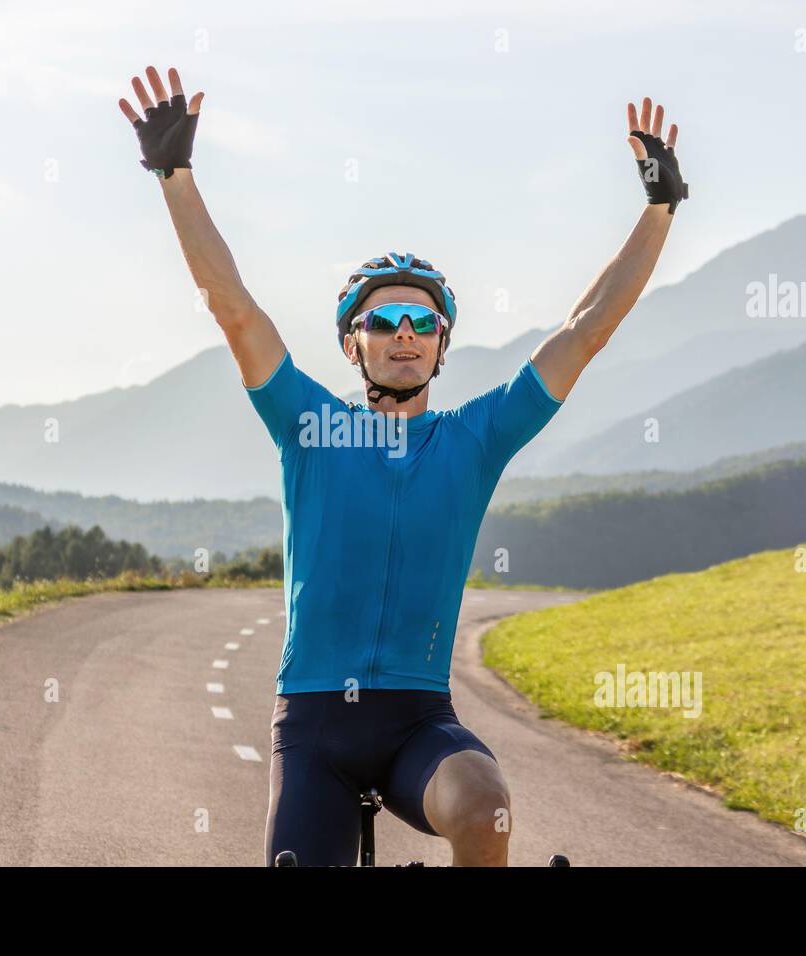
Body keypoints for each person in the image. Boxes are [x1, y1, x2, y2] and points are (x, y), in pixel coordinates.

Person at [119, 66, 688, 866]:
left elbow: (586, 328)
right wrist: (175, 176)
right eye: (382, 320)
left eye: (422, 320)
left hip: (418, 723)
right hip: (315, 724)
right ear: (354, 343)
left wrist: (659, 208)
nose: (404, 332)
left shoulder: (474, 440)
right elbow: (232, 303)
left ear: (443, 344)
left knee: (486, 810)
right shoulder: (308, 425)